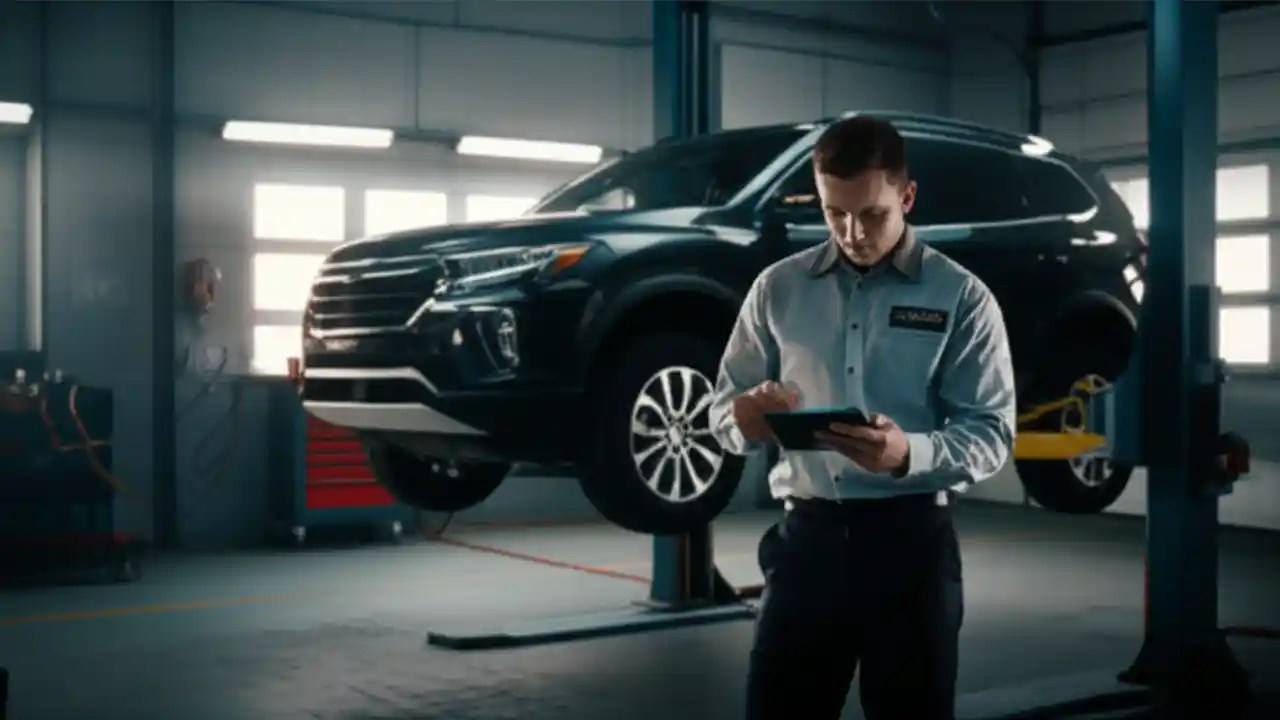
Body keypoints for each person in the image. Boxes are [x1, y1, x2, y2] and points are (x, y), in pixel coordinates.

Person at [708, 116, 1017, 720]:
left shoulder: (961, 297)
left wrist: (909, 454)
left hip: (912, 550)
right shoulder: (776, 290)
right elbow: (722, 409)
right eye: (834, 213)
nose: (852, 233)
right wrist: (742, 418)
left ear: (907, 196)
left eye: (872, 214)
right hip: (806, 546)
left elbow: (991, 432)